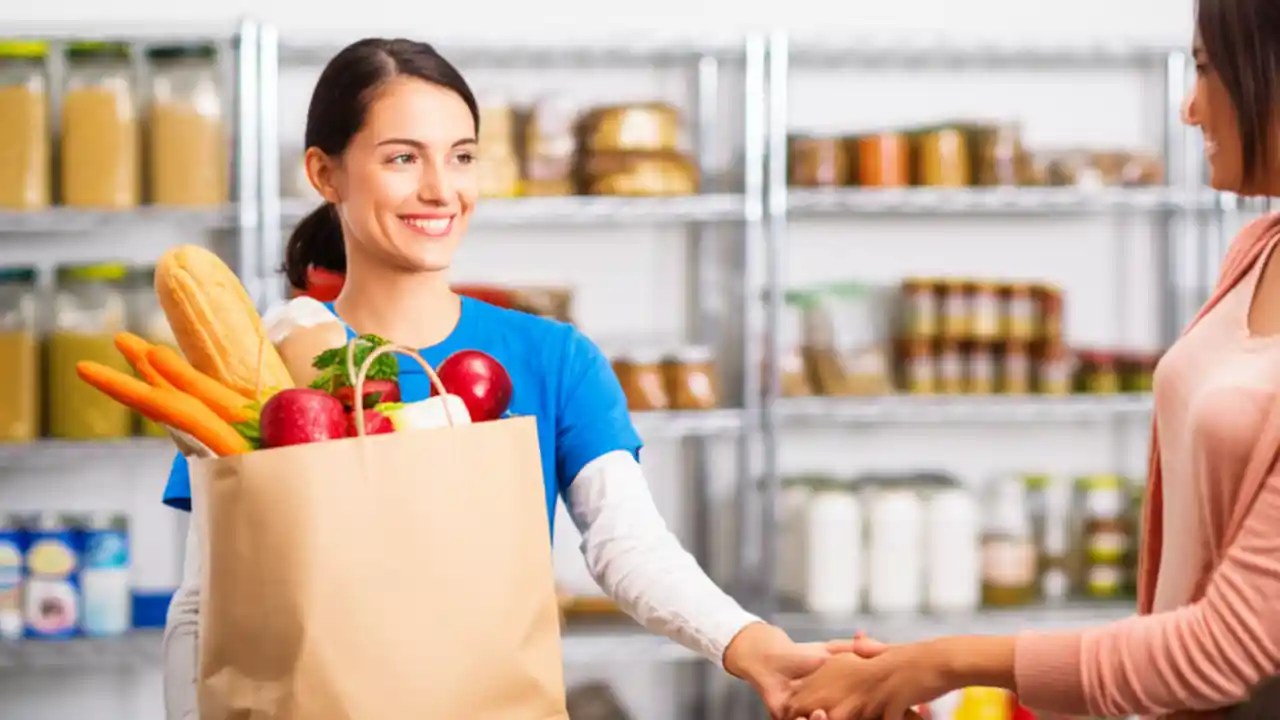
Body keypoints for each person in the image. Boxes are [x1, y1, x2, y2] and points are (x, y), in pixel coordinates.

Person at [161, 37, 833, 720]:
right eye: (402, 158)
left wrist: (753, 645)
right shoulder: (266, 369)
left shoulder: (551, 358)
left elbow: (627, 544)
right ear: (325, 174)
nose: (440, 189)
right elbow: (204, 602)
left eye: (461, 156)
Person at [785, 2, 1280, 719]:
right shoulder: (1256, 253)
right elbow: (1182, 603)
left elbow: (1225, 650)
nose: (1189, 108)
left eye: (1206, 69)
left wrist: (938, 662)